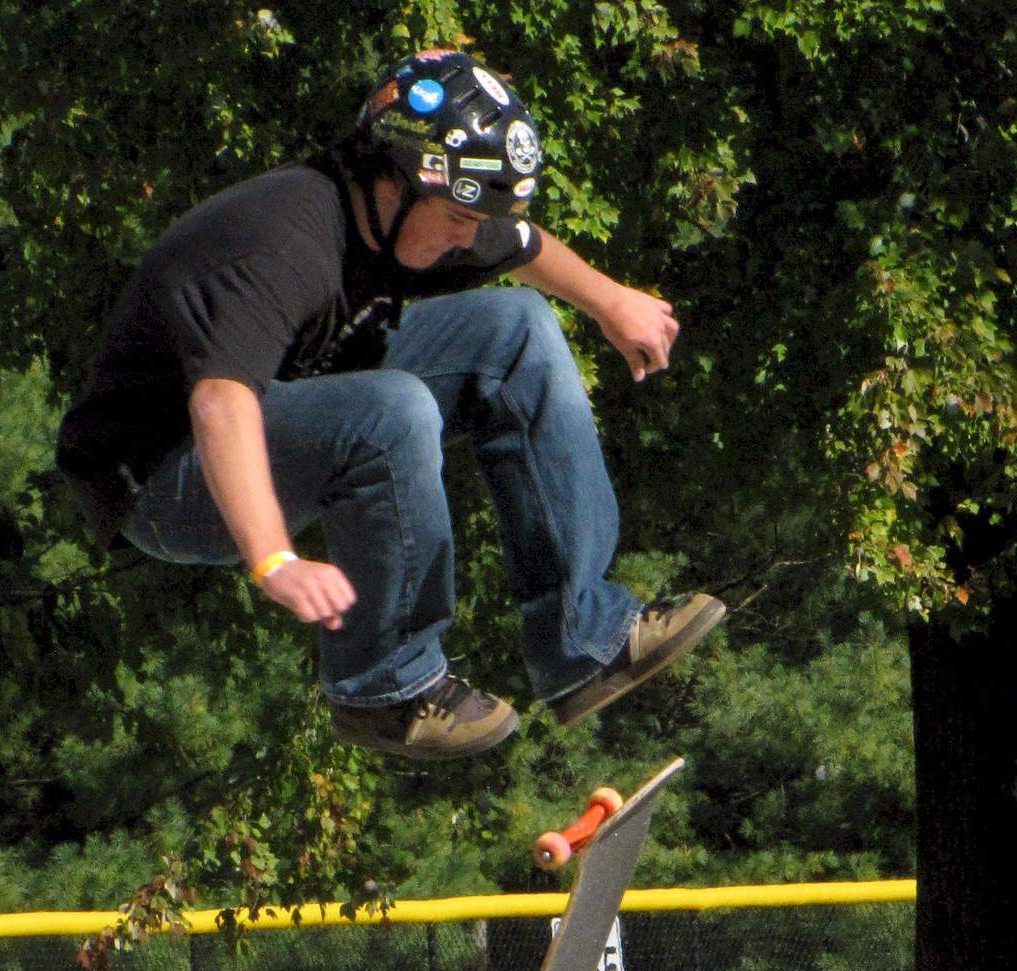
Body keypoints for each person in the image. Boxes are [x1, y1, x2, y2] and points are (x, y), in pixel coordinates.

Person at [57, 49, 726, 761]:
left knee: (518, 327)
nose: (467, 239)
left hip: (284, 407)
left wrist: (610, 301)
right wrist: (273, 560)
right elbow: (221, 403)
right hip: (164, 476)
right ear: (396, 178)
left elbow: (523, 244)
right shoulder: (281, 241)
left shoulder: (419, 206)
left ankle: (586, 640)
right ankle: (385, 690)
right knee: (392, 408)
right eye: (457, 218)